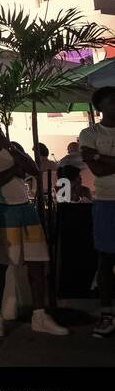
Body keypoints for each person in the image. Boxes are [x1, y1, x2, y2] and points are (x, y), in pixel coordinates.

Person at [0, 112, 68, 337]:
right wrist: (13, 170)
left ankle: (39, 315)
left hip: (25, 209)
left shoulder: (11, 146)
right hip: (1, 211)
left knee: (36, 262)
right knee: (1, 264)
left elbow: (34, 169)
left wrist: (12, 150)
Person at [80, 87, 115, 338]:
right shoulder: (89, 133)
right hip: (105, 201)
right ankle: (107, 313)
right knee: (106, 259)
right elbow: (99, 172)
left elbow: (101, 164)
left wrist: (101, 156)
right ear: (100, 108)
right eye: (112, 103)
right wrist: (100, 161)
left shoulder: (93, 141)